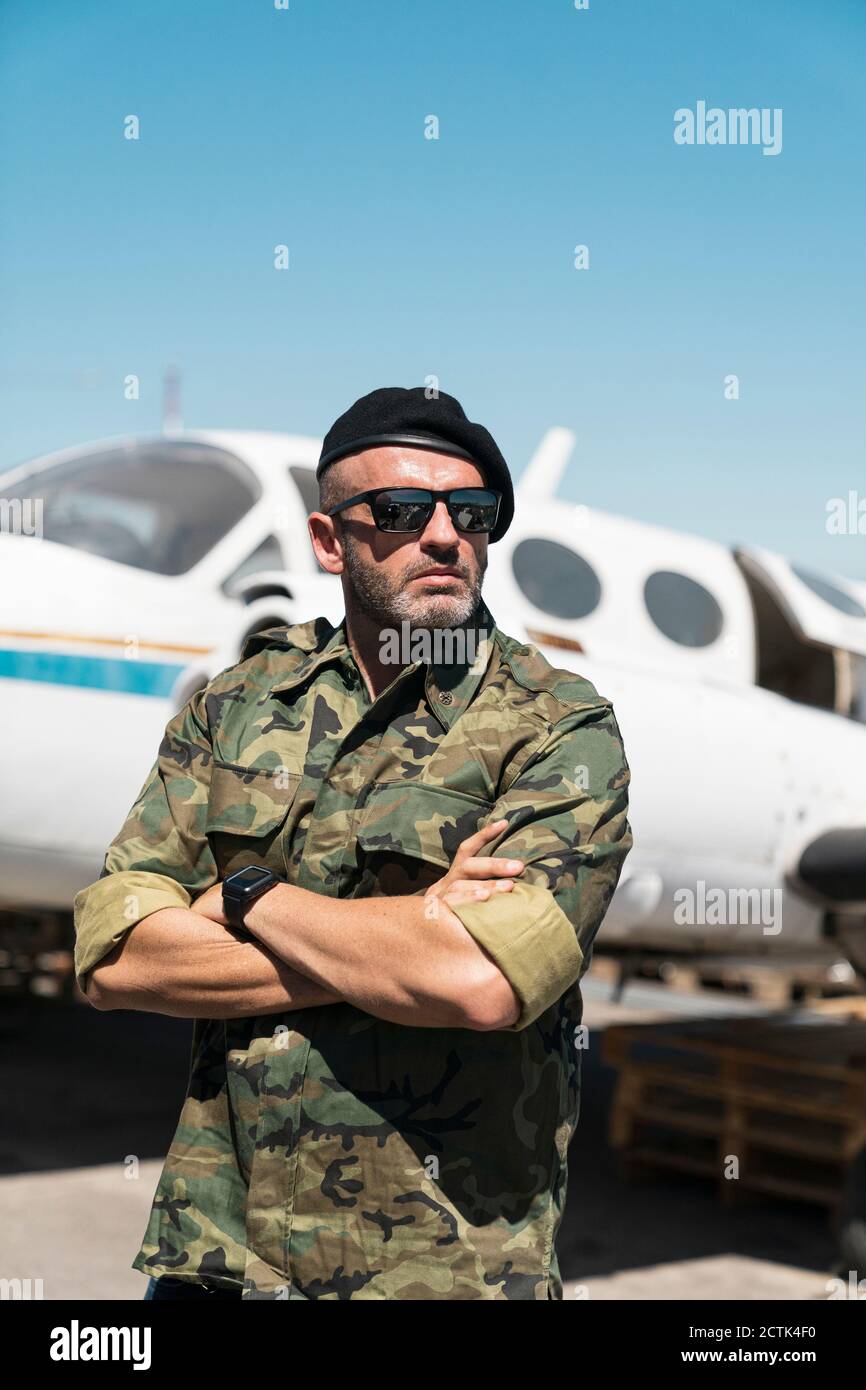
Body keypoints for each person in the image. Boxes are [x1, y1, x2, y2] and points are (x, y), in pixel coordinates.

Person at [74, 385, 632, 1301]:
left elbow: (481, 982)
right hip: (217, 1263)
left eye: (474, 513)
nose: (446, 536)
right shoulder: (238, 705)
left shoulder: (559, 726)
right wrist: (407, 934)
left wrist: (253, 898)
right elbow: (112, 959)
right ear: (331, 540)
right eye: (403, 511)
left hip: (440, 1277)